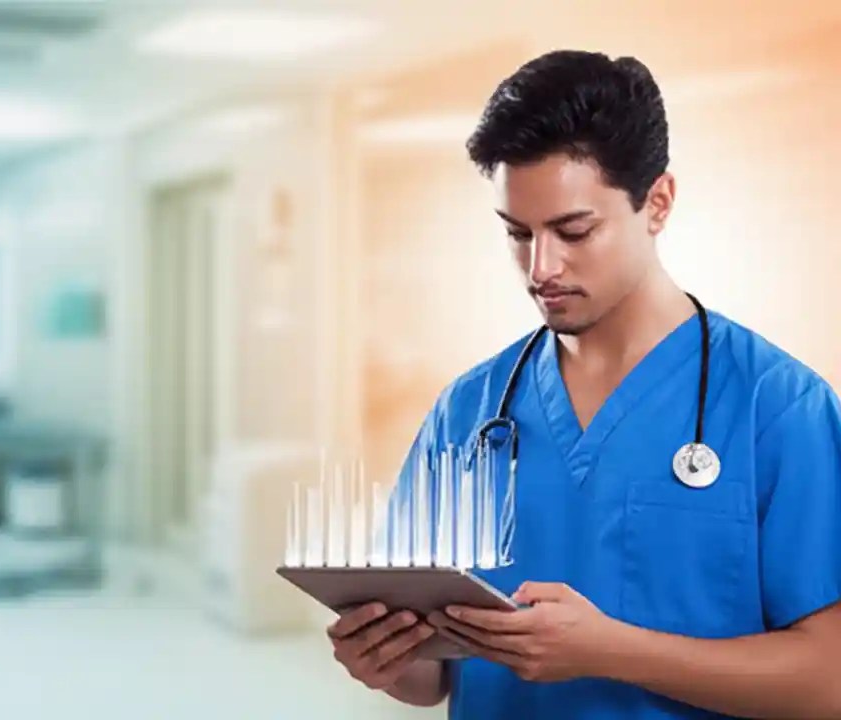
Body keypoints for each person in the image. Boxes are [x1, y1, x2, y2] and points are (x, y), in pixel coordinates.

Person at [327, 50, 841, 718]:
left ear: (657, 202)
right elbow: (433, 680)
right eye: (518, 234)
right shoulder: (469, 412)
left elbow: (830, 680)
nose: (541, 267)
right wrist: (383, 661)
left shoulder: (779, 409)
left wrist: (609, 651)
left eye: (574, 231)